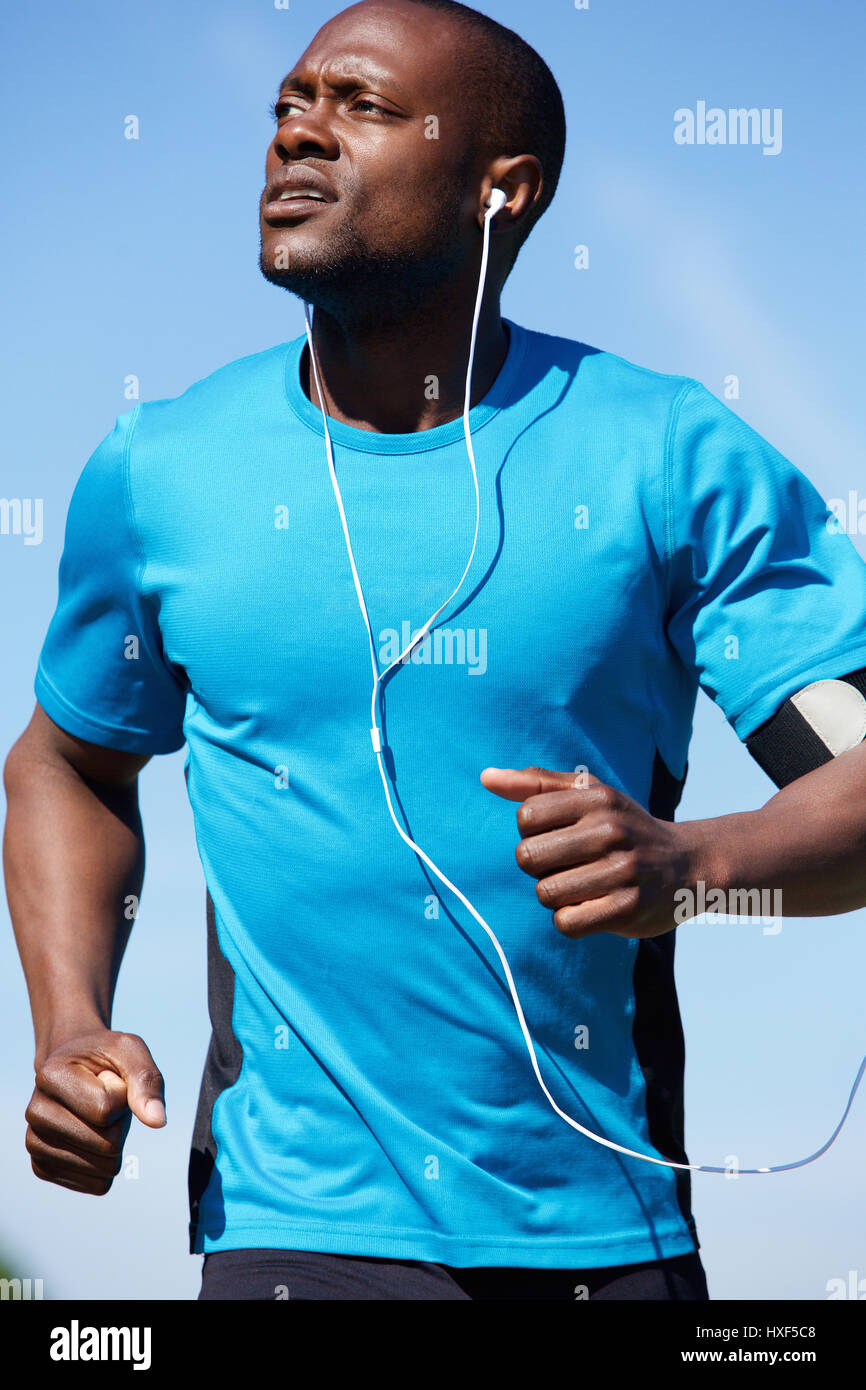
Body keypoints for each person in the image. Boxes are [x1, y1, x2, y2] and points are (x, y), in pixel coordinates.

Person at [5, 0, 866, 1303]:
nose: (297, 131)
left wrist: (695, 864)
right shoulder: (158, 470)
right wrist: (70, 1024)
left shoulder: (673, 457)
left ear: (497, 190)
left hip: (603, 1231)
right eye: (289, 102)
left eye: (358, 105)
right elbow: (71, 765)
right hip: (287, 1223)